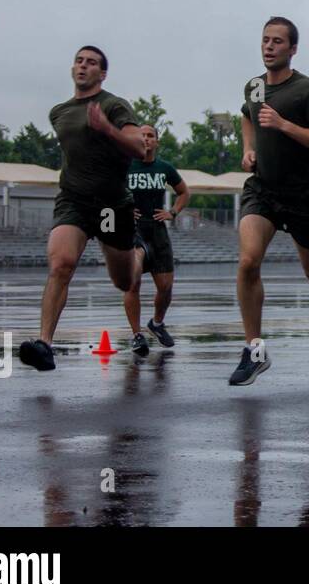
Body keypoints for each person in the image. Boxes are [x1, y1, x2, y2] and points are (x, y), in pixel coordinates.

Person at [229, 17, 309, 386]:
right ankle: (253, 350)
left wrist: (284, 126)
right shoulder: (254, 87)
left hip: (300, 194)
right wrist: (248, 148)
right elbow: (247, 117)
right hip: (262, 189)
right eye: (265, 40)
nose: (269, 47)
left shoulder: (308, 91)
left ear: (293, 49)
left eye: (277, 41)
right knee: (248, 261)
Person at [19, 46, 147, 371]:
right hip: (74, 200)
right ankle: (44, 344)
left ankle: (137, 255)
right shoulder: (59, 112)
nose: (83, 66)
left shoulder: (114, 106)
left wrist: (107, 128)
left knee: (123, 282)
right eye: (78, 60)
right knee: (61, 264)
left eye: (91, 63)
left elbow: (139, 148)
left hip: (110, 207)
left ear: (102, 74)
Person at [123, 124, 190, 355]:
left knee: (166, 286)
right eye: (142, 135)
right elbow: (107, 191)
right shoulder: (125, 166)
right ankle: (137, 335)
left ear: (157, 142)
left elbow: (184, 192)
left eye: (150, 135)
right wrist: (122, 209)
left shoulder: (164, 168)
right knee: (133, 281)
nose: (146, 139)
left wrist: (172, 212)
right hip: (133, 231)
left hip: (158, 230)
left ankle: (157, 323)